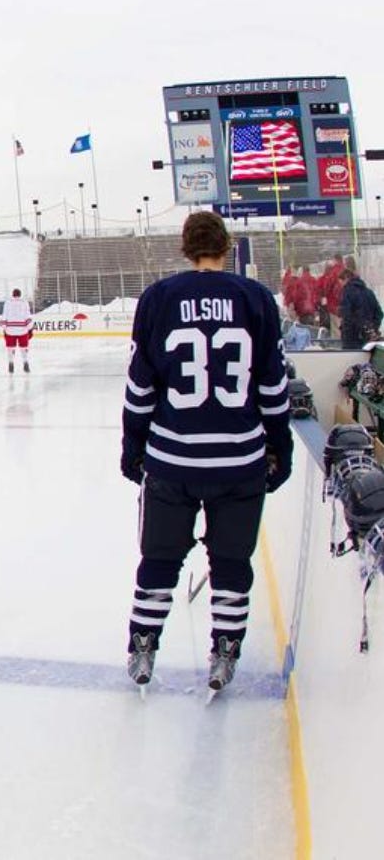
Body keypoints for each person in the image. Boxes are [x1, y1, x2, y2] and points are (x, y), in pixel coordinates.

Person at [120, 212, 291, 695]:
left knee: (159, 558)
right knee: (232, 563)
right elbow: (273, 387)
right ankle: (226, 651)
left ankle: (144, 645)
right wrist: (278, 448)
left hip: (173, 460)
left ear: (185, 247)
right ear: (227, 245)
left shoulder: (158, 299)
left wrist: (133, 447)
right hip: (240, 461)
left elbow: (140, 388)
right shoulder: (256, 299)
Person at [339, 268, 383, 348]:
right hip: (367, 336)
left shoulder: (347, 292)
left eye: (341, 282)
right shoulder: (369, 292)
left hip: (351, 337)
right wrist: (373, 327)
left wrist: (346, 332)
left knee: (350, 359)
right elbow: (379, 313)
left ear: (346, 278)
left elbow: (346, 315)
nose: (341, 285)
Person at [1, 288, 33, 373]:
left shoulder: (8, 302)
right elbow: (28, 316)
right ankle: (25, 363)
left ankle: (11, 364)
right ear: (20, 294)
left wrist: (4, 328)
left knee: (10, 348)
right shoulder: (24, 302)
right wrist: (30, 328)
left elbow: (4, 316)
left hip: (10, 330)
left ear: (13, 294)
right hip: (22, 329)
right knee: (24, 347)